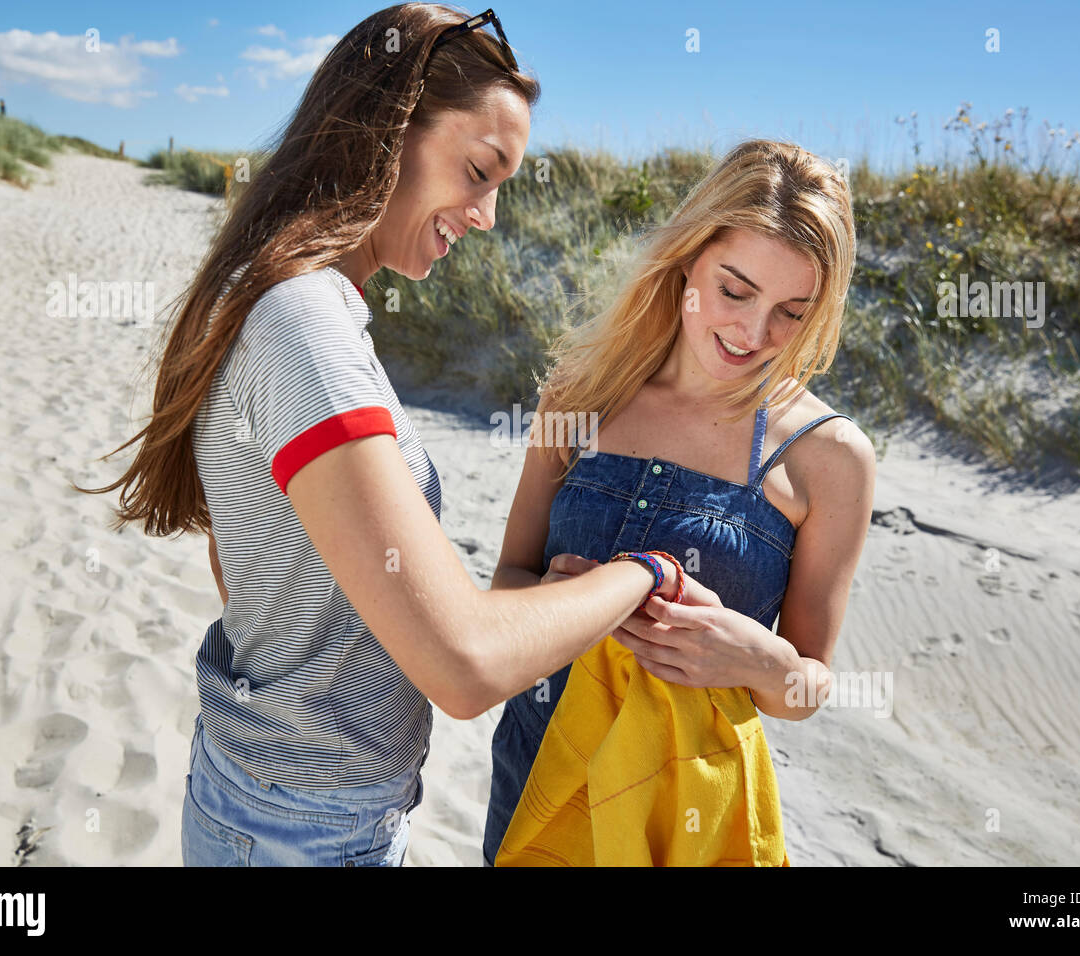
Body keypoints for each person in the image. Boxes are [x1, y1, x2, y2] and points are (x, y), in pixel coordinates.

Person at [78, 3, 683, 867]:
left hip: (272, 804)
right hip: (305, 829)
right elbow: (464, 665)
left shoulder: (276, 293)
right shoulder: (302, 324)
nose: (488, 215)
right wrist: (641, 574)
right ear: (389, 130)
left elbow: (246, 561)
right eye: (480, 170)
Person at [482, 138, 877, 865]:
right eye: (735, 290)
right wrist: (554, 603)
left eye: (793, 311)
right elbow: (506, 581)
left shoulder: (831, 456)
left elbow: (809, 681)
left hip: (686, 809)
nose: (754, 335)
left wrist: (761, 663)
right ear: (689, 258)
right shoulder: (581, 396)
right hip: (537, 771)